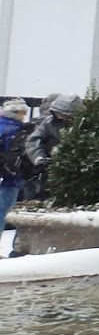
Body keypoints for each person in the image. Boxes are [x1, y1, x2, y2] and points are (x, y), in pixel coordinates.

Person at [23, 93, 83, 201]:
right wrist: (38, 158)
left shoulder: (85, 125)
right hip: (51, 165)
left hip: (77, 168)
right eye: (58, 113)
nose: (61, 117)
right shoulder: (48, 122)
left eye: (65, 115)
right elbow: (33, 140)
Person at [0, 99, 32, 234]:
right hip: (10, 177)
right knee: (4, 210)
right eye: (22, 112)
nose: (24, 115)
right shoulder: (13, 129)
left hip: (8, 174)